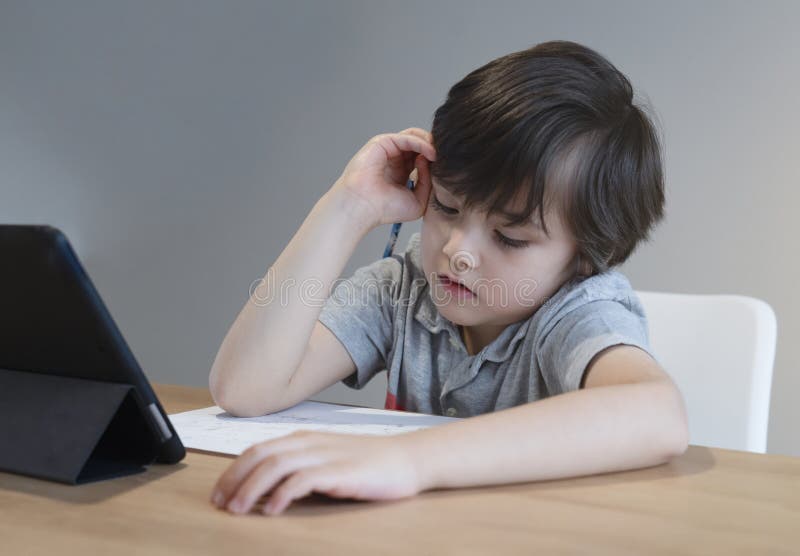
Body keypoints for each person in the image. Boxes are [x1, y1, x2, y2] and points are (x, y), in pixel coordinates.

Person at [207, 40, 689, 516]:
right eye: (446, 206)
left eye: (509, 237)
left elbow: (658, 416)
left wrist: (409, 459)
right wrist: (348, 206)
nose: (458, 251)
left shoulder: (576, 312)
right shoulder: (402, 290)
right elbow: (246, 390)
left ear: (585, 256)